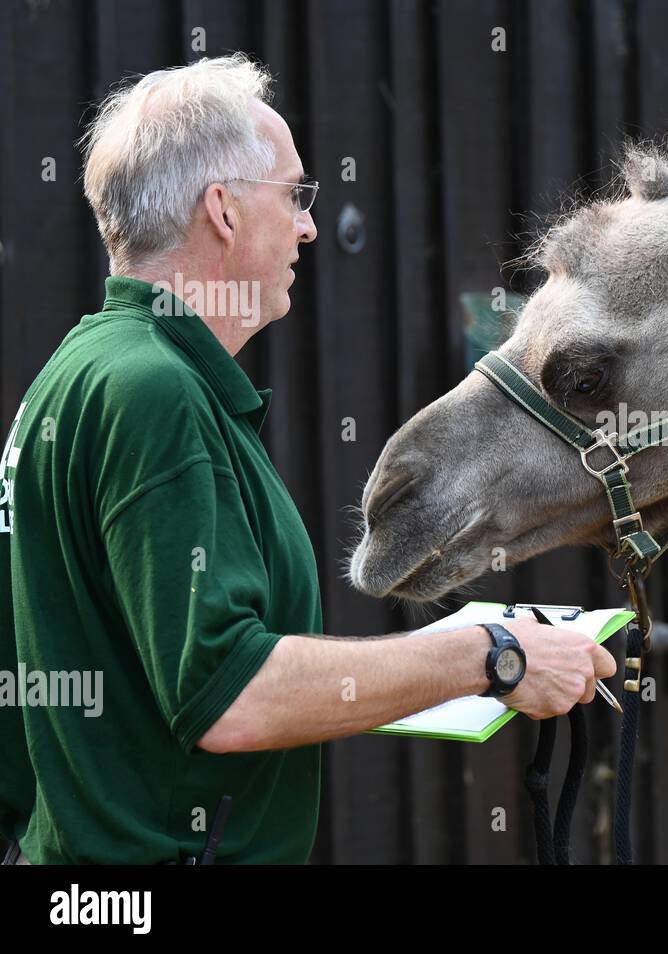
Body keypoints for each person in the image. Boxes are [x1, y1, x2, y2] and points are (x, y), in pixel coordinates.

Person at [0, 54, 614, 865]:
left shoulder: (79, 376)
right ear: (221, 209)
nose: (309, 226)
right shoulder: (153, 393)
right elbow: (232, 698)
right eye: (293, 196)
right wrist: (495, 656)